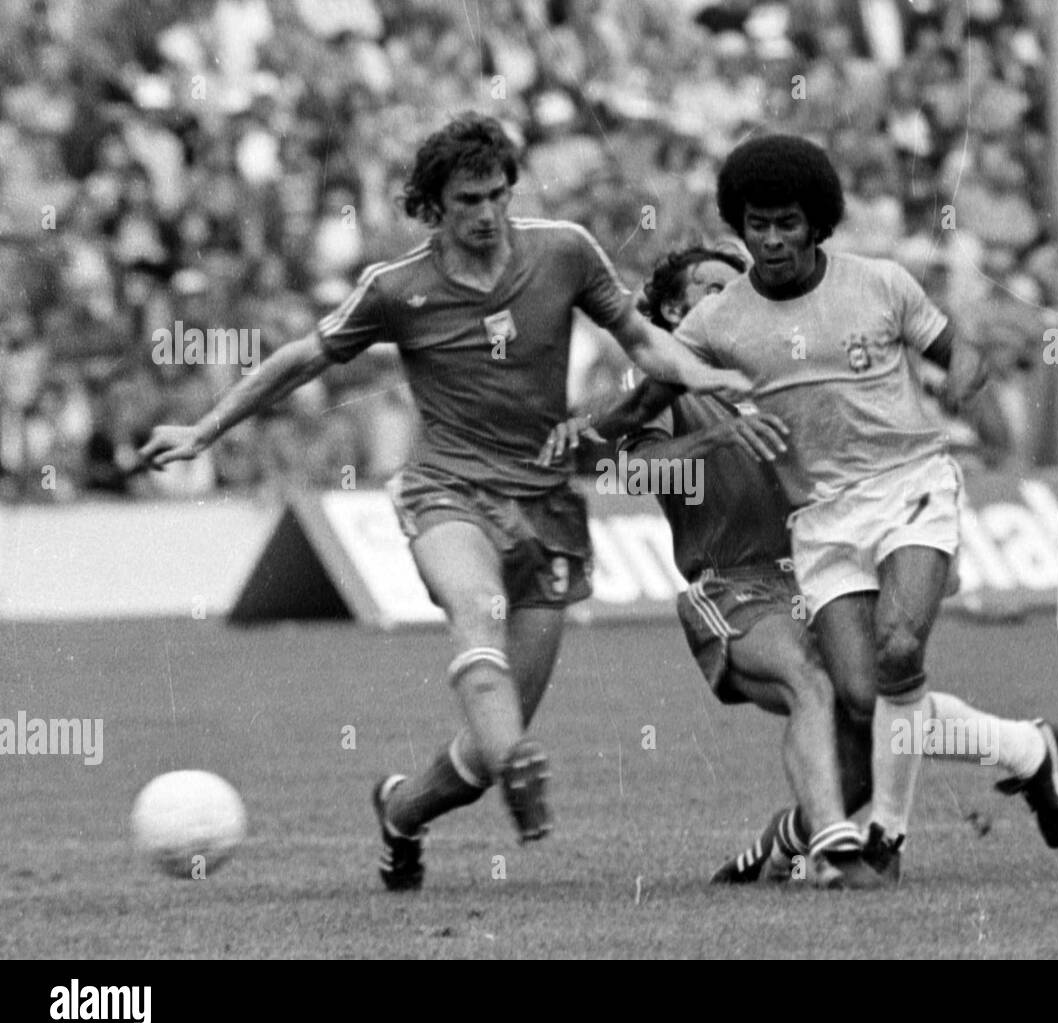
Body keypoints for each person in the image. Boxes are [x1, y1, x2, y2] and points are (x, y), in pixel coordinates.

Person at [135, 113, 752, 891]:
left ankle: (401, 811)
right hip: (449, 489)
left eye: (497, 193)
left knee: (486, 752)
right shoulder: (397, 289)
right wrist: (204, 428)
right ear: (433, 204)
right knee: (474, 606)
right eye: (468, 199)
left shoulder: (563, 251)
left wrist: (703, 375)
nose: (488, 212)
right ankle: (515, 756)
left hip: (548, 504)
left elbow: (641, 340)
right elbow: (300, 360)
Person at [544, 242, 1058, 888]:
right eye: (712, 289)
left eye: (736, 286)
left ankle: (801, 834)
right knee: (811, 679)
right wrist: (715, 437)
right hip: (733, 582)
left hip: (820, 564)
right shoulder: (662, 379)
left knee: (872, 702)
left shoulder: (777, 363)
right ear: (673, 312)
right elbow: (623, 468)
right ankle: (832, 849)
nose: (731, 298)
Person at [663, 135, 1058, 883]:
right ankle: (1019, 751)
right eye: (755, 227)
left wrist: (967, 385)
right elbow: (620, 464)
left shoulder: (872, 287)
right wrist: (693, 435)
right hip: (754, 574)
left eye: (787, 223)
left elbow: (962, 357)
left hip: (892, 498)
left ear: (816, 222)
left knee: (882, 670)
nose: (768, 244)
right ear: (670, 316)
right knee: (848, 693)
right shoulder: (693, 360)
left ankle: (857, 838)